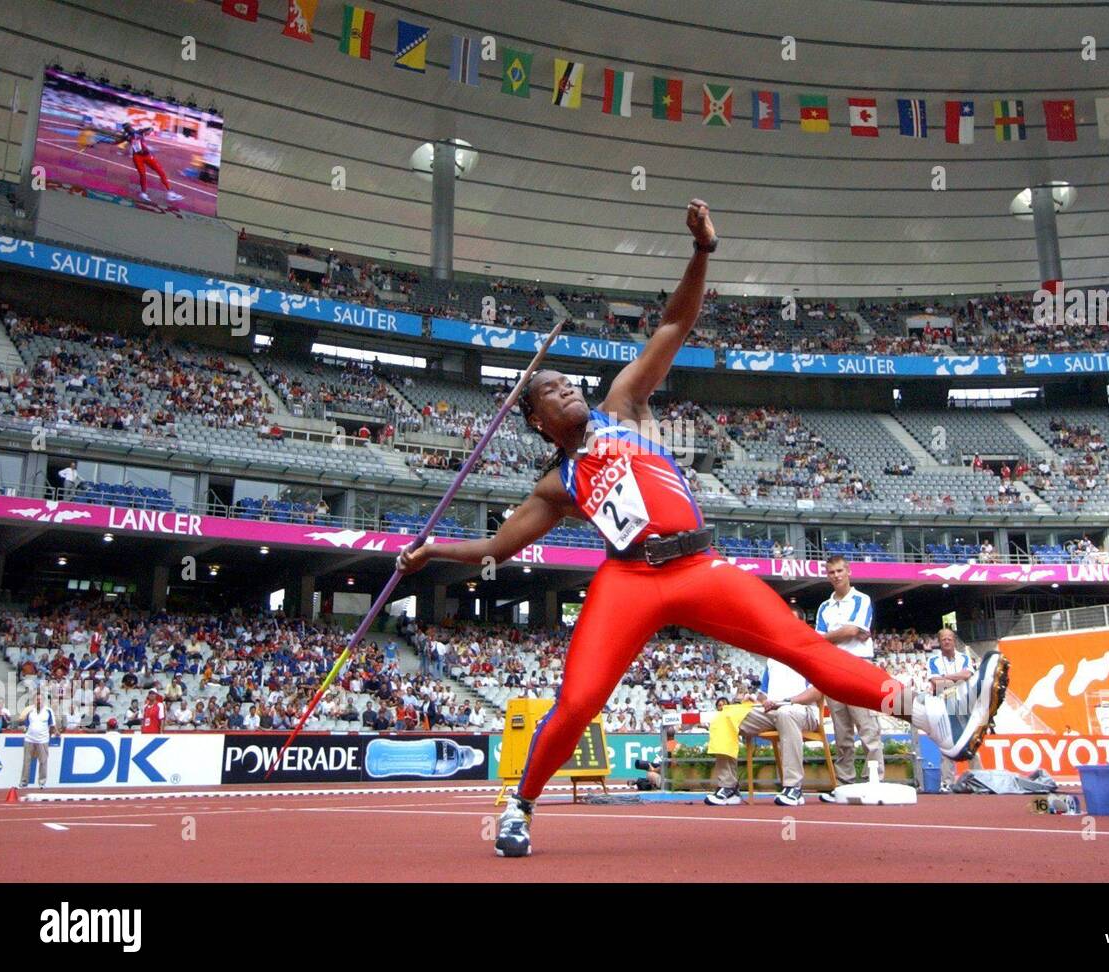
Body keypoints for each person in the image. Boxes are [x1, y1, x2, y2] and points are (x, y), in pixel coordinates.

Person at [396, 200, 1009, 858]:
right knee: (576, 703)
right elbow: (496, 546)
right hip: (629, 580)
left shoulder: (621, 405)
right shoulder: (556, 485)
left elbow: (672, 324)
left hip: (698, 566)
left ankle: (933, 716)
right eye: (549, 389)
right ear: (537, 421)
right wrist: (432, 551)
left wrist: (702, 253)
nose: (566, 388)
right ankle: (520, 804)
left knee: (799, 646)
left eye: (567, 381)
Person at [812, 555, 884, 802]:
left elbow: (852, 631)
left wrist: (838, 634)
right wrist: (846, 633)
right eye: (831, 572)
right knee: (842, 733)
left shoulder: (862, 599)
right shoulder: (824, 606)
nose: (836, 575)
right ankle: (845, 784)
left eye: (839, 570)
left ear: (849, 571)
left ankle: (875, 782)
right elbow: (822, 639)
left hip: (858, 667)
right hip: (833, 669)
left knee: (867, 728)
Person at [705, 658, 820, 807]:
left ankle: (794, 787)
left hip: (802, 709)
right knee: (724, 716)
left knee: (786, 713)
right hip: (771, 711)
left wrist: (786, 701)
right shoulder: (772, 659)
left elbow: (816, 692)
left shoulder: (808, 655)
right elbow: (763, 694)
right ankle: (728, 787)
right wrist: (760, 700)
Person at [929, 629, 980, 789]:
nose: (946, 641)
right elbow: (936, 683)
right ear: (939, 641)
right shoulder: (933, 660)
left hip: (965, 705)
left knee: (971, 742)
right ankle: (947, 782)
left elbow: (967, 676)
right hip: (944, 706)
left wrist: (945, 677)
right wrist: (955, 679)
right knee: (947, 744)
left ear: (954, 640)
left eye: (949, 638)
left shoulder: (964, 657)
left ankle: (978, 780)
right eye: (943, 639)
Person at [113, 122, 183, 204]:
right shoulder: (128, 137)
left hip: (147, 156)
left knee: (161, 172)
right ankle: (143, 193)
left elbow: (150, 129)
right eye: (127, 128)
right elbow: (116, 142)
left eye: (129, 127)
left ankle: (170, 193)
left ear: (131, 127)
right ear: (125, 130)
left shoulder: (139, 132)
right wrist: (119, 138)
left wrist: (147, 129)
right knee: (142, 175)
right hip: (137, 157)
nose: (129, 129)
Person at [19, 691, 58, 789]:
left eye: (40, 699)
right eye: (37, 699)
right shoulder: (29, 711)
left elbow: (52, 725)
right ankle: (24, 782)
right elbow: (24, 723)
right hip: (29, 739)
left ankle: (42, 782)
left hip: (43, 740)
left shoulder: (48, 711)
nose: (39, 701)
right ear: (33, 701)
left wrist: (55, 732)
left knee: (43, 762)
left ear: (44, 701)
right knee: (26, 761)